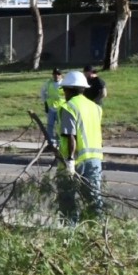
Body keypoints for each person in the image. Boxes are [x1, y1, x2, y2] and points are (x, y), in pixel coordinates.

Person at [56, 69, 104, 224]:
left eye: (64, 89)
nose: (64, 93)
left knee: (67, 198)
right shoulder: (95, 107)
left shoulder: (69, 107)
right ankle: (98, 230)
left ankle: (70, 232)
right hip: (94, 160)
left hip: (75, 161)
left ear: (69, 89)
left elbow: (70, 135)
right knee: (94, 198)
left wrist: (69, 160)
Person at [39, 68, 65, 150]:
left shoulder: (64, 84)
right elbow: (43, 92)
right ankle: (51, 143)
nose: (56, 76)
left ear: (61, 75)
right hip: (51, 108)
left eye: (58, 74)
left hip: (61, 108)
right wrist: (45, 102)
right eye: (55, 74)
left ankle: (60, 143)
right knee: (50, 126)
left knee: (60, 126)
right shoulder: (48, 83)